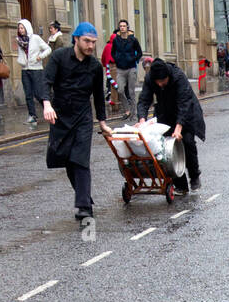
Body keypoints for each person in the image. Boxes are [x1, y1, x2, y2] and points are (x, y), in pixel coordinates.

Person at [37, 21, 109, 221]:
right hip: (60, 115)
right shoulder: (59, 57)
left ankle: (84, 206)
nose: (91, 46)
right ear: (76, 39)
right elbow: (46, 81)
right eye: (87, 41)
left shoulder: (95, 66)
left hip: (83, 117)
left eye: (94, 42)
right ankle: (84, 198)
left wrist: (102, 122)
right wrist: (46, 104)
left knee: (80, 159)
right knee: (67, 159)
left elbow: (98, 95)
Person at [137, 57, 206, 195]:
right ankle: (180, 185)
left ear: (168, 76)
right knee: (168, 149)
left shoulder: (178, 76)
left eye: (163, 81)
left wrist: (179, 127)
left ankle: (194, 176)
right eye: (158, 82)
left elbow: (184, 102)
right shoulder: (150, 78)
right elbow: (144, 100)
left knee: (186, 142)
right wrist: (142, 119)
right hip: (165, 113)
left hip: (187, 112)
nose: (160, 84)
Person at [14, 20, 51, 126]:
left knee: (38, 93)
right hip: (25, 69)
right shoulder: (20, 41)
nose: (20, 30)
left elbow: (48, 49)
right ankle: (32, 116)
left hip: (36, 69)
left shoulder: (35, 38)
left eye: (22, 28)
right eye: (19, 28)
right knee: (28, 94)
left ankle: (48, 109)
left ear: (27, 28)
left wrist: (40, 57)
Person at [111, 19, 143, 118]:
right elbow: (113, 52)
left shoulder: (133, 40)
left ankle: (133, 113)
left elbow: (140, 52)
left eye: (124, 26)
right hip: (120, 69)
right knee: (120, 90)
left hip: (131, 68)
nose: (122, 28)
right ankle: (127, 110)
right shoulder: (116, 40)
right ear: (119, 28)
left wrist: (133, 59)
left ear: (127, 27)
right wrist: (117, 60)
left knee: (131, 92)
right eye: (120, 26)